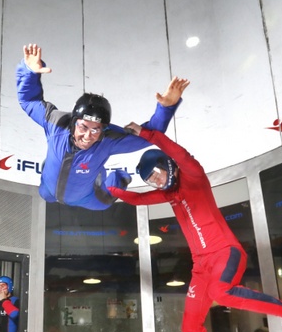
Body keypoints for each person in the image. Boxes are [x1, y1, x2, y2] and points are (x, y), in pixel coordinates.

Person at [108, 122, 282, 332]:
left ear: (167, 164)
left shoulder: (193, 176)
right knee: (189, 325)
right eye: (151, 180)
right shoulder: (171, 195)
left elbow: (181, 155)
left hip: (226, 252)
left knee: (220, 292)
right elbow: (137, 199)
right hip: (201, 265)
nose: (157, 181)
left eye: (157, 174)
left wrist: (148, 134)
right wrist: (111, 190)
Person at [17, 43, 189, 210]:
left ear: (103, 129)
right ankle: (61, 168)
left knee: (106, 202)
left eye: (95, 129)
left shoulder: (107, 140)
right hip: (49, 189)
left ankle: (119, 177)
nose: (87, 136)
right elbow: (29, 101)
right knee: (44, 194)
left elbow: (151, 136)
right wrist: (29, 72)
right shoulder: (56, 123)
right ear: (73, 121)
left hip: (87, 198)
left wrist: (166, 108)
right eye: (83, 127)